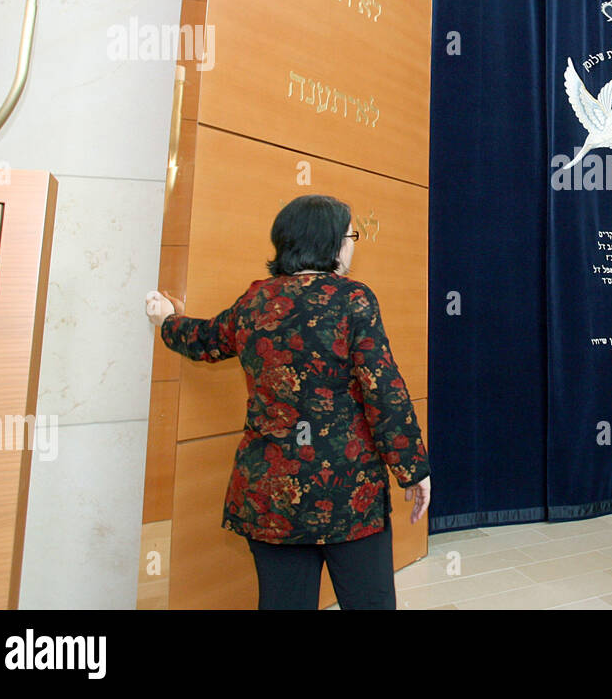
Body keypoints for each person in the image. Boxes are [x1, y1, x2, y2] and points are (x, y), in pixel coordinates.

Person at [144, 194, 430, 609]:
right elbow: (384, 392)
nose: (352, 245)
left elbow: (203, 340)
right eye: (350, 235)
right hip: (347, 493)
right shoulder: (353, 299)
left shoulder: (255, 301)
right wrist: (413, 469)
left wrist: (166, 319)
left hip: (270, 492)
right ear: (329, 241)